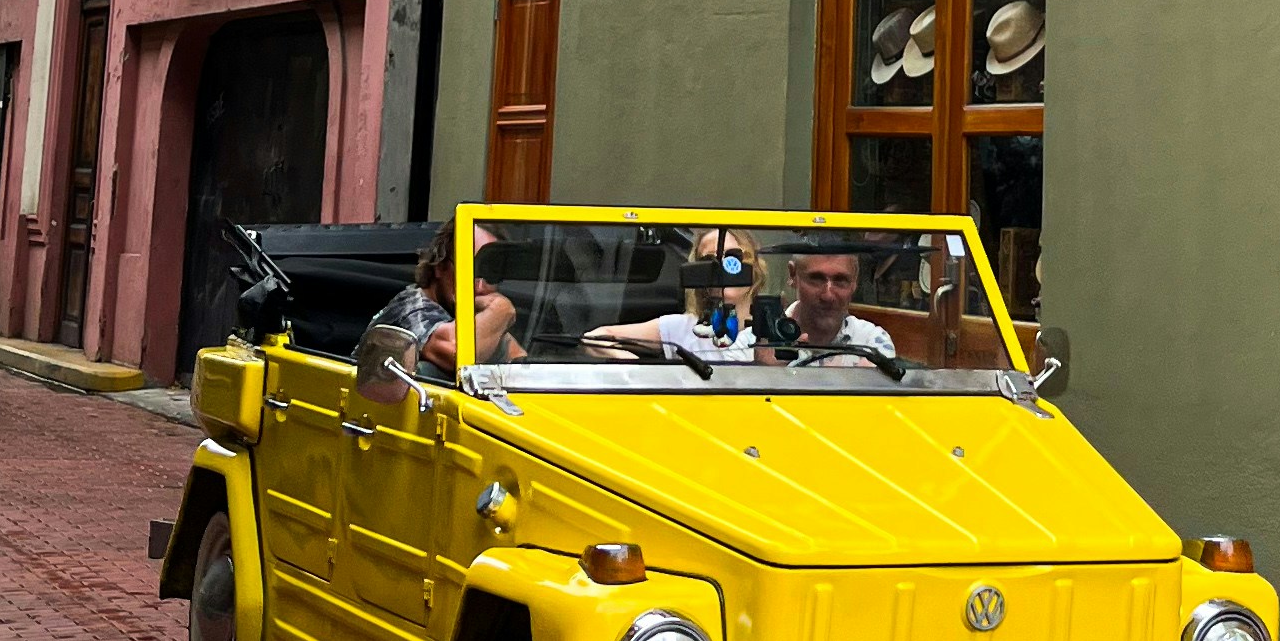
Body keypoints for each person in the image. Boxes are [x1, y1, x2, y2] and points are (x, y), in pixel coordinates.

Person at [588, 237, 896, 369]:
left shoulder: (871, 341)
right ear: (793, 277)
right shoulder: (750, 342)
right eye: (816, 279)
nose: (828, 294)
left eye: (733, 261)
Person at [358, 225, 519, 380]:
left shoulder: (467, 317)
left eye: (491, 273)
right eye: (468, 268)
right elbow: (457, 352)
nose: (480, 286)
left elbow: (519, 362)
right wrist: (500, 310)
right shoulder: (411, 309)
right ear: (440, 266)